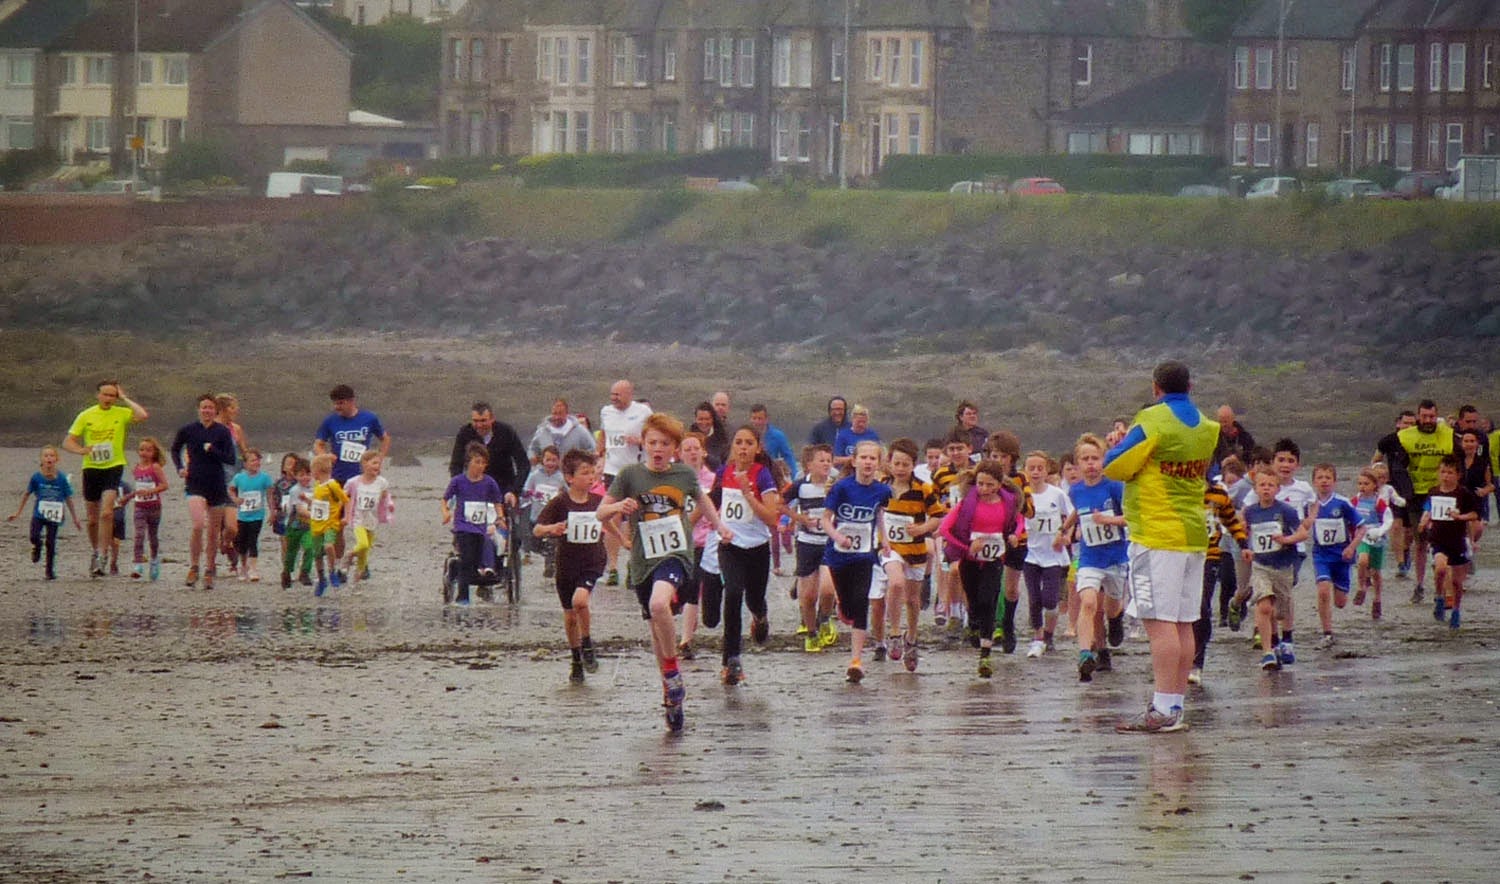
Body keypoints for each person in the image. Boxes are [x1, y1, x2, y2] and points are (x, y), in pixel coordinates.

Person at [1103, 360, 1219, 734]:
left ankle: (1162, 708)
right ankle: (1174, 705)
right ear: (1191, 385)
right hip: (1193, 533)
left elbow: (1115, 466)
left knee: (1159, 623)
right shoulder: (1207, 426)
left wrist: (1120, 442)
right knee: (1184, 622)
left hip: (1156, 533)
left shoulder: (1153, 420)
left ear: (1155, 388)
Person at [596, 413, 731, 733]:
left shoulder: (683, 474)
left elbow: (704, 501)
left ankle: (672, 672)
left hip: (675, 555)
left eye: (665, 444)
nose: (658, 449)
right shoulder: (630, 475)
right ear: (643, 444)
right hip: (643, 559)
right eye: (652, 443)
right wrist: (619, 511)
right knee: (656, 629)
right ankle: (671, 697)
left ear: (675, 448)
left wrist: (720, 526)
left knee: (660, 605)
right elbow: (601, 512)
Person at [533, 449, 619, 683]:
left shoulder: (598, 501)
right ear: (569, 477)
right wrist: (553, 529)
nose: (591, 478)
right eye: (585, 473)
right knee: (570, 616)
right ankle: (576, 658)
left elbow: (607, 524)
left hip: (592, 560)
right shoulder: (560, 502)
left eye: (593, 473)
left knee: (580, 601)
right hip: (567, 563)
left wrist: (623, 540)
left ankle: (588, 643)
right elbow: (537, 529)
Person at [710, 426, 782, 686]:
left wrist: (747, 493)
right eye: (738, 442)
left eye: (748, 443)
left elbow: (772, 517)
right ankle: (731, 659)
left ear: (757, 448)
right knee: (732, 592)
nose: (742, 447)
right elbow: (711, 504)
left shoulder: (762, 475)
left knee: (754, 599)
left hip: (757, 548)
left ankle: (760, 617)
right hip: (730, 545)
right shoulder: (723, 472)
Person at [938, 460, 1020, 678]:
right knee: (974, 604)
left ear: (999, 484)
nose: (983, 489)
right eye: (980, 484)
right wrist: (967, 546)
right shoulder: (967, 503)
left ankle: (985, 654)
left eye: (989, 485)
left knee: (988, 601)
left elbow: (1018, 522)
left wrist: (1014, 535)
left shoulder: (1008, 502)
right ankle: (972, 623)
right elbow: (945, 530)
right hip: (970, 560)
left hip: (994, 560)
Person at [822, 440, 893, 684]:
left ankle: (856, 661)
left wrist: (884, 540)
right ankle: (842, 606)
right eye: (863, 457)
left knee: (862, 600)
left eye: (873, 458)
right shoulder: (842, 488)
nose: (868, 462)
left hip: (864, 554)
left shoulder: (882, 491)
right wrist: (838, 537)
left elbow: (879, 515)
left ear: (879, 463)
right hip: (838, 556)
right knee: (849, 606)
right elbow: (825, 520)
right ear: (854, 461)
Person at [63, 380, 149, 577]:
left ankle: (103, 555)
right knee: (92, 519)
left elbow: (142, 415)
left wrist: (125, 398)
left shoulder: (120, 412)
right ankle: (95, 551)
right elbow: (68, 441)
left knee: (107, 513)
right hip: (92, 468)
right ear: (98, 395)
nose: (109, 399)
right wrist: (81, 450)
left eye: (113, 395)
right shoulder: (86, 415)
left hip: (113, 466)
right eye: (106, 394)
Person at [874, 438, 944, 672]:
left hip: (915, 550)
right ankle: (894, 633)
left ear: (914, 465)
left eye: (906, 464)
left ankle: (911, 639)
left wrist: (923, 529)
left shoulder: (923, 489)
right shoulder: (882, 486)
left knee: (913, 601)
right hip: (889, 548)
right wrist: (882, 538)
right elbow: (875, 514)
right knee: (895, 584)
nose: (901, 468)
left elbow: (937, 516)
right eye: (897, 463)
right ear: (889, 464)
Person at [1065, 434, 1129, 683]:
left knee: (1111, 608)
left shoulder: (1114, 486)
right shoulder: (1076, 490)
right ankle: (1084, 654)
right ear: (1077, 464)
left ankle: (1116, 621)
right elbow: (1078, 512)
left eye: (1095, 458)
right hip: (1089, 557)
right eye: (1085, 459)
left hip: (1115, 557)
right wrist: (1065, 530)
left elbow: (1131, 517)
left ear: (1103, 460)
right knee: (1089, 603)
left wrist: (1107, 520)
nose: (1090, 463)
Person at [1241, 468, 1310, 672]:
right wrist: (1245, 548)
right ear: (1256, 488)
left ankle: (1286, 640)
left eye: (1270, 485)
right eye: (1262, 485)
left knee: (1282, 609)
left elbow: (1303, 534)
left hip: (1283, 565)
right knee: (1264, 607)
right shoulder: (1250, 511)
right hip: (1261, 565)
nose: (1266, 489)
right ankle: (1267, 652)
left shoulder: (1286, 511)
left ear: (1277, 489)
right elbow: (1244, 533)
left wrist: (1286, 540)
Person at [170, 394, 237, 590]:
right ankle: (193, 566)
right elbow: (174, 449)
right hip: (195, 483)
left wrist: (213, 450)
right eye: (203, 407)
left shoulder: (222, 432)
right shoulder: (188, 430)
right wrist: (180, 467)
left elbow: (231, 459)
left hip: (216, 484)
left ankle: (209, 569)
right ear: (198, 409)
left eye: (210, 408)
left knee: (214, 531)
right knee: (198, 525)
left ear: (215, 411)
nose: (207, 411)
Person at [1189, 474, 1247, 684]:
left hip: (1210, 556)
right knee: (1182, 610)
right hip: (1182, 556)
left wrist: (1243, 545)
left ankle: (1197, 661)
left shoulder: (1218, 494)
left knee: (1202, 606)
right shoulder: (1179, 491)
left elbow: (1231, 520)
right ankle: (1182, 656)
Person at [598, 379, 654, 586]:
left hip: (635, 470)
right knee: (612, 515)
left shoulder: (643, 412)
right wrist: (600, 452)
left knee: (633, 516)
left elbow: (653, 437)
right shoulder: (606, 412)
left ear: (629, 394)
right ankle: (612, 567)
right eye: (612, 394)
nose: (614, 399)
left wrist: (639, 441)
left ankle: (633, 563)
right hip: (612, 471)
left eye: (618, 395)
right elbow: (603, 434)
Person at [1398, 400, 1454, 602]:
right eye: (1424, 417)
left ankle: (1447, 585)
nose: (1428, 421)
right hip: (1416, 493)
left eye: (1432, 417)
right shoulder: (1405, 436)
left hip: (1442, 493)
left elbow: (1458, 460)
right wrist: (1403, 490)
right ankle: (1419, 585)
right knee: (1420, 540)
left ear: (1436, 416)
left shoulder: (1447, 433)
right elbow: (1395, 464)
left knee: (1442, 539)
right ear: (1418, 416)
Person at [1021, 450, 1073, 659]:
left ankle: (1049, 634)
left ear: (1047, 470)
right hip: (1030, 554)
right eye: (1031, 468)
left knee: (1050, 600)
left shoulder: (1056, 494)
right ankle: (1037, 637)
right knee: (1034, 599)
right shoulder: (1022, 495)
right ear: (1024, 471)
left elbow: (1071, 516)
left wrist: (1065, 535)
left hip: (1053, 555)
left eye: (1039, 468)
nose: (1035, 472)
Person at [787, 444, 838, 652]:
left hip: (829, 543)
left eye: (829, 460)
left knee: (827, 589)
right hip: (807, 543)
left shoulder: (836, 486)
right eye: (821, 460)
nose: (826, 464)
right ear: (809, 465)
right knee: (808, 596)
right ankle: (811, 633)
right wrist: (798, 518)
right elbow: (780, 504)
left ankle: (824, 619)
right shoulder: (800, 486)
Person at [441, 442, 507, 606]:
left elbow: (497, 502)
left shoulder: (489, 483)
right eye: (477, 462)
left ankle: (483, 577)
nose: (480, 466)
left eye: (483, 463)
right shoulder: (458, 481)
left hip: (480, 528)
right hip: (463, 527)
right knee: (466, 559)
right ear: (468, 462)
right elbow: (445, 499)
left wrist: (500, 517)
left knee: (477, 556)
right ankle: (463, 598)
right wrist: (446, 513)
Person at [1308, 464, 1366, 649]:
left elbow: (1362, 527)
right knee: (1323, 590)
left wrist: (1352, 547)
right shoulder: (1309, 504)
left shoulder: (1342, 503)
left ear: (1334, 481)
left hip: (1342, 555)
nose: (1324, 481)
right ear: (1314, 482)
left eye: (1328, 477)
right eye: (1320, 478)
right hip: (1321, 554)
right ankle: (1327, 633)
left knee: (1340, 603)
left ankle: (1341, 590)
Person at [1422, 454, 1479, 629]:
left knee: (1456, 581)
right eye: (1443, 472)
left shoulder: (1463, 494)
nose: (1445, 476)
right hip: (1438, 538)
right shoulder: (1433, 491)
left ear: (1457, 475)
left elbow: (1475, 514)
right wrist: (1424, 520)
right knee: (1440, 569)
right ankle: (1439, 596)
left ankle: (1456, 610)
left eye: (1449, 473)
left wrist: (1459, 516)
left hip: (1457, 541)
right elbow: (1428, 509)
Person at [8, 446, 81, 580]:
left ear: (56, 459)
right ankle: (37, 546)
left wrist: (75, 518)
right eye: (46, 456)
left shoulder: (62, 478)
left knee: (51, 542)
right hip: (39, 513)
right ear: (41, 459)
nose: (49, 458)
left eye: (52, 456)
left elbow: (68, 498)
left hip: (54, 513)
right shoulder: (36, 477)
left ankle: (49, 570)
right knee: (34, 536)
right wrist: (17, 513)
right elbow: (27, 494)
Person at [1351, 467, 1397, 620]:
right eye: (1360, 483)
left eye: (1366, 483)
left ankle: (1377, 599)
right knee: (1363, 560)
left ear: (1374, 485)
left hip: (1376, 537)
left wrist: (1381, 531)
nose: (1362, 487)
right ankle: (1361, 587)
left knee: (1376, 572)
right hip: (1361, 536)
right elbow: (1348, 515)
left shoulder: (1379, 502)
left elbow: (1388, 519)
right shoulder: (1355, 500)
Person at [1374, 410, 1417, 575]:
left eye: (1412, 424)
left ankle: (1406, 552)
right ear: (1398, 423)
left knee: (1410, 530)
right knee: (1396, 525)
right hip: (1393, 488)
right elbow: (1376, 460)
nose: (1408, 426)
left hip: (1414, 488)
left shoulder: (1419, 440)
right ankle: (1400, 564)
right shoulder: (1389, 441)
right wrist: (1377, 478)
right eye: (1406, 423)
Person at [341, 451, 392, 585]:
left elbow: (386, 496)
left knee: (365, 552)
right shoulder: (353, 482)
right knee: (362, 544)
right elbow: (343, 497)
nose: (377, 466)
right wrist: (342, 513)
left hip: (372, 520)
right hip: (358, 519)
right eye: (374, 463)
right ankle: (349, 555)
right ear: (364, 464)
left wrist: (390, 506)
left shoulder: (382, 482)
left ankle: (355, 583)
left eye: (379, 464)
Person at [228, 449, 275, 583]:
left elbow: (270, 495)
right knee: (242, 542)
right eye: (253, 460)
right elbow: (231, 489)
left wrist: (272, 512)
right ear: (245, 463)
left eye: (258, 460)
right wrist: (235, 499)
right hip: (242, 515)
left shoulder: (264, 478)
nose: (256, 463)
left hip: (257, 515)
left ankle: (253, 568)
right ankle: (243, 566)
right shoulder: (239, 477)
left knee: (253, 540)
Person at [307, 453, 350, 596]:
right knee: (317, 555)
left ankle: (332, 571)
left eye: (312, 470)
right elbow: (317, 505)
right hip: (316, 525)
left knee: (329, 545)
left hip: (330, 524)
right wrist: (307, 502)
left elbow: (345, 500)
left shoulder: (332, 485)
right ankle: (321, 578)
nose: (311, 474)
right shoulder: (318, 486)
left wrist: (346, 516)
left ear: (317, 471)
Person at [128, 438, 168, 581]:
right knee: (139, 535)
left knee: (153, 536)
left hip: (154, 507)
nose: (144, 453)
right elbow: (138, 489)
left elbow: (164, 485)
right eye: (142, 449)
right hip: (139, 506)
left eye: (148, 450)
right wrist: (127, 497)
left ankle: (154, 560)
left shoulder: (155, 467)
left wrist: (151, 491)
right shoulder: (136, 468)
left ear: (154, 452)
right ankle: (138, 564)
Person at [281, 457, 316, 589]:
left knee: (310, 547)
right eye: (301, 475)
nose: (305, 477)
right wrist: (316, 516)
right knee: (292, 552)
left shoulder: (313, 489)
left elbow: (315, 504)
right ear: (295, 475)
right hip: (295, 526)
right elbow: (300, 510)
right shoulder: (295, 490)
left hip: (309, 527)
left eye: (308, 474)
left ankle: (305, 572)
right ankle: (287, 572)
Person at [526, 398, 596, 464]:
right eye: (554, 413)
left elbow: (593, 450)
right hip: (548, 474)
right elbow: (532, 449)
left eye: (560, 413)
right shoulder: (542, 431)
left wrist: (580, 463)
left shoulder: (580, 431)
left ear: (566, 413)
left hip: (571, 474)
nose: (557, 417)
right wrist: (533, 458)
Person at [1456, 429, 1493, 550]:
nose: (1469, 444)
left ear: (1477, 444)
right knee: (1461, 534)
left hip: (1475, 501)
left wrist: (1484, 491)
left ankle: (1468, 550)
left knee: (1477, 529)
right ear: (1462, 443)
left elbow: (1491, 485)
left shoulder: (1483, 463)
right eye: (1466, 441)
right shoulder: (1456, 461)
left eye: (1472, 441)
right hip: (1458, 500)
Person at [832, 405, 880, 469]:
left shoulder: (872, 436)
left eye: (864, 422)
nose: (861, 424)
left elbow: (879, 457)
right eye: (858, 422)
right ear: (853, 420)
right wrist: (855, 458)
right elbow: (835, 460)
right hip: (846, 471)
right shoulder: (843, 435)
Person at [1212, 405, 1256, 469]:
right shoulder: (1214, 438)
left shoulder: (1245, 437)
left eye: (1225, 421)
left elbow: (1252, 455)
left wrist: (1238, 458)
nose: (1223, 425)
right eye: (1220, 422)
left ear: (1232, 419)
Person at [692, 402, 730, 470]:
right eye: (700, 419)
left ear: (713, 419)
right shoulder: (690, 436)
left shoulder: (722, 437)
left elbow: (722, 463)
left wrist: (705, 455)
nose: (704, 422)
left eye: (707, 419)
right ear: (696, 419)